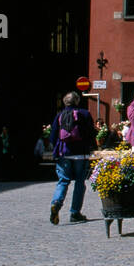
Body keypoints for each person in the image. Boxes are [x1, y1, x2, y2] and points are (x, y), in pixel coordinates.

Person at [49, 91, 94, 225]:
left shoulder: (59, 115)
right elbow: (91, 133)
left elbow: (53, 136)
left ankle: (56, 202)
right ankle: (75, 212)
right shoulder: (84, 114)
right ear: (77, 101)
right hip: (81, 153)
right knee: (80, 182)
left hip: (64, 153)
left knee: (63, 181)